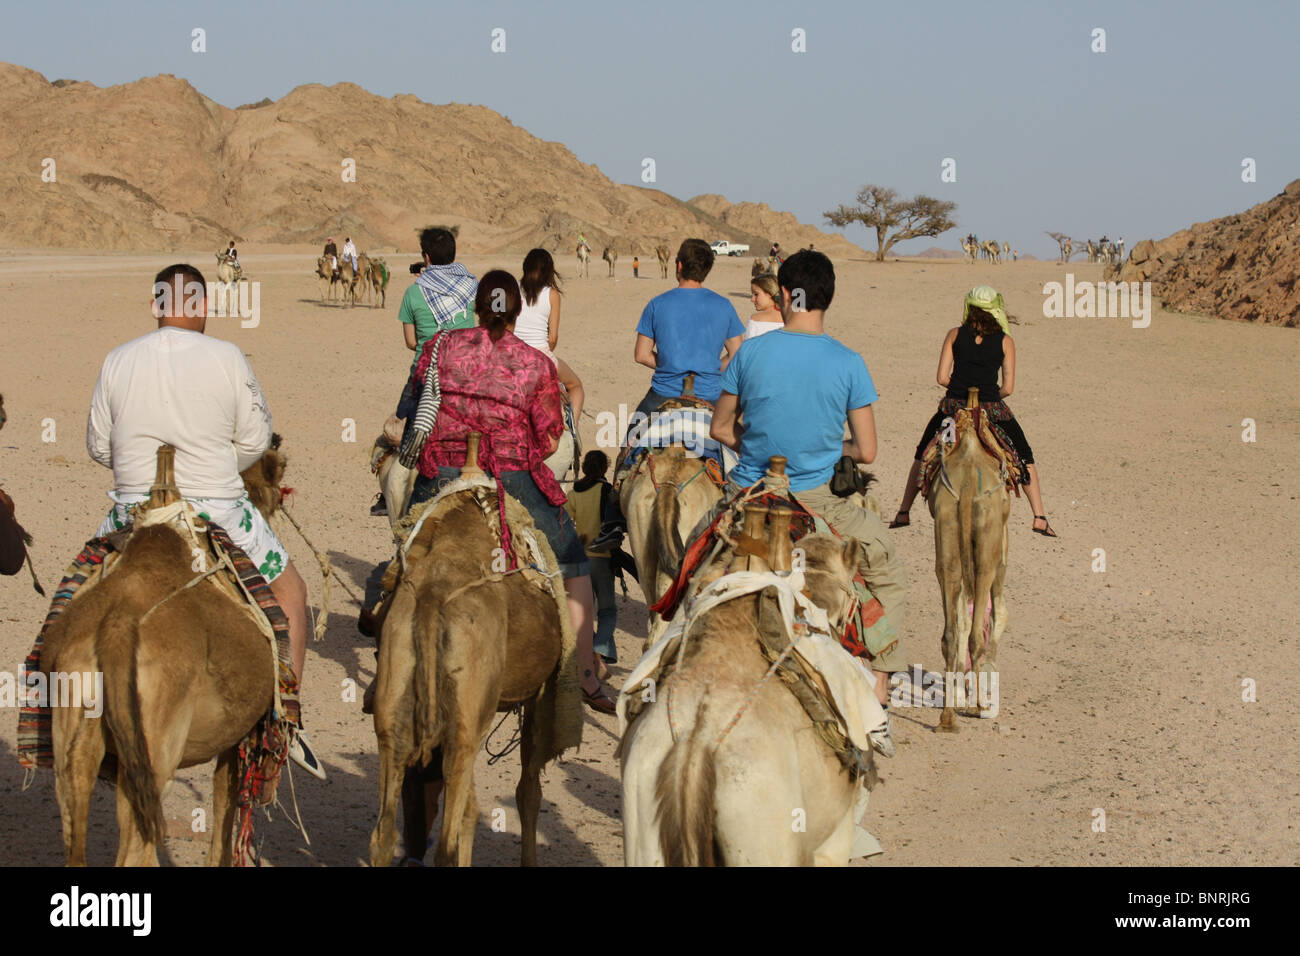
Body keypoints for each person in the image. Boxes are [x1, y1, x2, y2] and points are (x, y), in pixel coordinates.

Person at [86, 263, 324, 778]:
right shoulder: (227, 357)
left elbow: (98, 446)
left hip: (133, 511)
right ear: (205, 309)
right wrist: (214, 465)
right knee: (291, 593)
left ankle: (56, 712)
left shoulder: (117, 359)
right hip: (216, 509)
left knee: (75, 596)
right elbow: (256, 440)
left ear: (155, 306)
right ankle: (284, 722)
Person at [710, 249, 907, 757]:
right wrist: (826, 449)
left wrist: (757, 450)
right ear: (829, 298)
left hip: (752, 495)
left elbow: (721, 428)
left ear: (782, 297)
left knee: (693, 561)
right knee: (885, 567)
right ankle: (878, 703)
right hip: (817, 502)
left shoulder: (749, 354)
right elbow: (866, 450)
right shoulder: (847, 362)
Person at [403, 270, 615, 715]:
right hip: (512, 474)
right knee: (574, 561)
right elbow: (552, 438)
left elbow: (420, 396)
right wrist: (523, 448)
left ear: (476, 308)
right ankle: (585, 675)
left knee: (407, 545)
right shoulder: (537, 363)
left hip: (445, 468)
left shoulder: (438, 347)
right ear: (517, 311)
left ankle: (392, 651)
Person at [888, 286, 1055, 536]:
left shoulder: (954, 335)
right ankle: (1039, 516)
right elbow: (1008, 387)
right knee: (1023, 455)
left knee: (923, 452)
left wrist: (960, 390)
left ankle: (904, 511)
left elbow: (941, 377)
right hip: (991, 409)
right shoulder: (1005, 341)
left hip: (954, 408)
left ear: (969, 308)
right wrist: (989, 397)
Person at [371, 227, 477, 516]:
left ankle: (390, 495)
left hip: (424, 375)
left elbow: (410, 341)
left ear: (426, 257)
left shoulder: (414, 293)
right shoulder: (471, 286)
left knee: (402, 437)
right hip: (465, 375)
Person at [631, 238, 744, 429]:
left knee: (630, 444)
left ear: (680, 265)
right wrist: (712, 368)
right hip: (710, 395)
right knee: (738, 448)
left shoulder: (656, 304)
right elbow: (736, 354)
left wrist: (671, 365)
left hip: (664, 394)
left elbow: (641, 355)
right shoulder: (724, 306)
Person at [565, 450, 620, 672]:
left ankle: (601, 653)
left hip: (581, 557)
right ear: (605, 469)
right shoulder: (607, 491)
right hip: (603, 559)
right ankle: (598, 650)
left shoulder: (574, 492)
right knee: (607, 611)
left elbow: (565, 521)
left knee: (585, 611)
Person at [517, 248, 585, 421]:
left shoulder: (512, 289)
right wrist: (544, 357)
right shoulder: (552, 295)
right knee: (576, 386)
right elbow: (553, 338)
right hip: (540, 354)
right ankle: (572, 431)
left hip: (513, 353)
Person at [745, 273, 784, 340]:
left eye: (756, 294)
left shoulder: (756, 320)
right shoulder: (792, 318)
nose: (752, 299)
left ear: (769, 294)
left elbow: (749, 349)